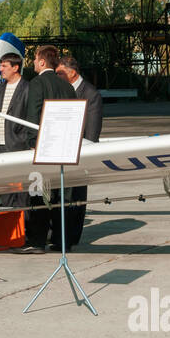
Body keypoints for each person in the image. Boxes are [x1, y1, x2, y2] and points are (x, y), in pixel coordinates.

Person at [20, 46, 76, 253]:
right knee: (62, 195)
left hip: (45, 146)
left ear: (42, 62)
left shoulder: (37, 83)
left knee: (40, 194)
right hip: (65, 146)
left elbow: (33, 115)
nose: (33, 62)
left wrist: (32, 142)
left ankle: (37, 241)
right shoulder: (68, 86)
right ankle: (62, 241)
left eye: (35, 59)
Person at [56, 56, 103, 251]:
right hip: (60, 151)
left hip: (79, 153)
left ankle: (72, 238)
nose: (57, 76)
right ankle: (60, 236)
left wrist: (86, 153)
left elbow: (92, 131)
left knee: (76, 197)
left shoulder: (90, 94)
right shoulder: (62, 91)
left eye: (60, 73)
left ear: (72, 72)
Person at [0, 52, 29, 210]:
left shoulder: (28, 88)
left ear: (15, 68)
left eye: (4, 66)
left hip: (18, 146)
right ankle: (11, 229)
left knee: (22, 192)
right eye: (0, 65)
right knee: (5, 192)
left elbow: (30, 119)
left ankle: (24, 227)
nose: (0, 69)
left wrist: (25, 142)